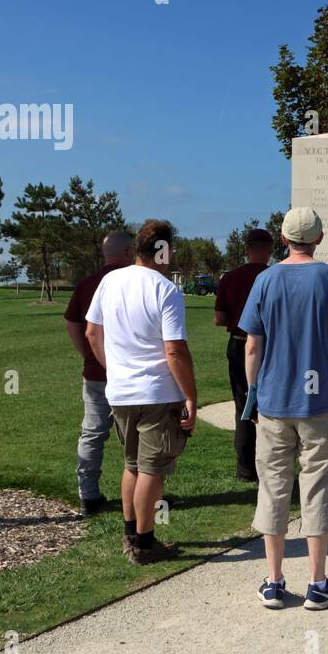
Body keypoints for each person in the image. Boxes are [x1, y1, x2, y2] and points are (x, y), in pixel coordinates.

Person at [240, 206, 328, 611]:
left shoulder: (266, 279)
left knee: (273, 486)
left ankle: (273, 581)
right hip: (319, 397)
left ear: (284, 237)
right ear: (319, 239)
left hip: (274, 397)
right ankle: (317, 582)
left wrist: (254, 391)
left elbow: (252, 345)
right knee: (316, 486)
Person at [85, 220, 194, 565]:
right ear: (161, 250)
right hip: (157, 393)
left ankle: (130, 533)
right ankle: (146, 544)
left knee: (131, 465)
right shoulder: (165, 290)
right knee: (152, 469)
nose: (172, 255)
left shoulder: (109, 281)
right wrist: (190, 395)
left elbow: (91, 333)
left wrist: (113, 368)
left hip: (120, 393)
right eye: (170, 248)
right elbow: (174, 350)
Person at [63, 231, 134, 514]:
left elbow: (72, 323)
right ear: (129, 252)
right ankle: (145, 494)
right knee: (137, 437)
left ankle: (88, 494)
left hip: (96, 373)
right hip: (131, 374)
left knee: (92, 433)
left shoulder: (87, 284)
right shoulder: (135, 283)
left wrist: (89, 355)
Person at [214, 228, 273, 481]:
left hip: (240, 344)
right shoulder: (275, 276)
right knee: (273, 407)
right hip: (272, 346)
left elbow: (219, 318)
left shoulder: (231, 277)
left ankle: (246, 469)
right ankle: (272, 464)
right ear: (270, 250)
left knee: (244, 407)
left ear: (246, 249)